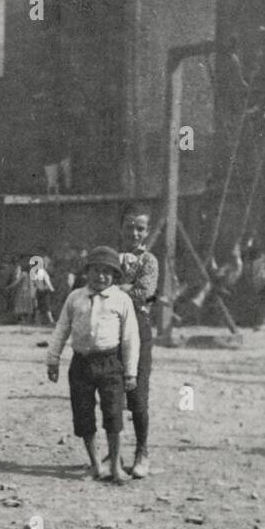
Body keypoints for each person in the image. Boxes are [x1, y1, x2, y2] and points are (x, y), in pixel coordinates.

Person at [46, 248, 139, 483]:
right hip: (81, 364)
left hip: (110, 363)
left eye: (107, 272)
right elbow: (61, 329)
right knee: (83, 413)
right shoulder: (75, 298)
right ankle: (96, 465)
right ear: (87, 272)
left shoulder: (121, 300)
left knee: (113, 414)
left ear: (114, 275)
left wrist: (130, 372)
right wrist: (53, 358)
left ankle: (116, 465)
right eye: (96, 270)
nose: (101, 276)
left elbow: (130, 338)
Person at [117, 203, 160, 479]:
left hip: (139, 327)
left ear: (147, 232)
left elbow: (145, 291)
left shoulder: (149, 261)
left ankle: (142, 451)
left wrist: (117, 289)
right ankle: (114, 451)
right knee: (112, 393)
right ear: (122, 227)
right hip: (111, 328)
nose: (135, 233)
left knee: (138, 393)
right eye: (130, 226)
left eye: (140, 228)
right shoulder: (109, 257)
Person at [29, 257, 55, 325]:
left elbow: (34, 283)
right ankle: (50, 321)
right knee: (46, 306)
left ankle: (37, 321)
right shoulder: (42, 272)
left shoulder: (34, 272)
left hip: (39, 291)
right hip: (44, 291)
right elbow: (47, 281)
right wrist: (51, 288)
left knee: (39, 307)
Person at [9, 259, 34, 325]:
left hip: (22, 292)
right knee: (26, 306)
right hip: (27, 291)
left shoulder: (23, 274)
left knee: (22, 306)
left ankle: (24, 320)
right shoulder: (28, 275)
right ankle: (26, 321)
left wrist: (10, 287)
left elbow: (17, 282)